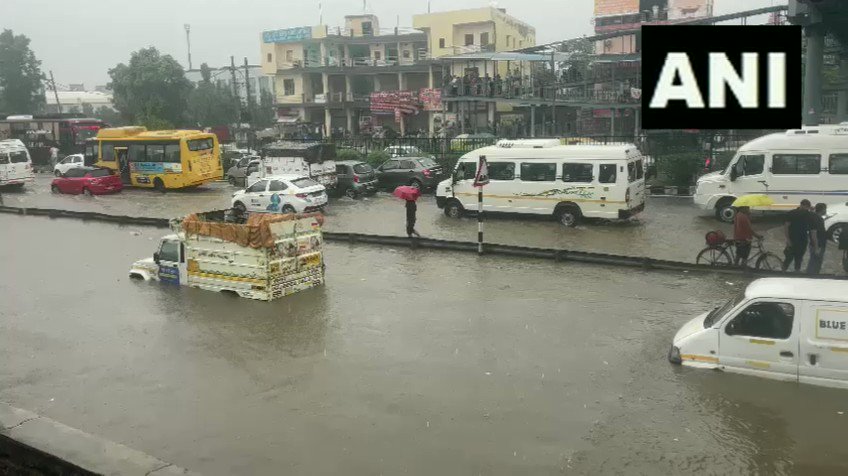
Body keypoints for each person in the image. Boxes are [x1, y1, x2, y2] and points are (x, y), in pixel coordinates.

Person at [782, 199, 817, 272]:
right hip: (795, 239)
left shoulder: (808, 215)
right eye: (805, 206)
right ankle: (786, 271)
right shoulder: (792, 213)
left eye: (807, 207)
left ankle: (793, 271)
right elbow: (786, 226)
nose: (806, 208)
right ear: (802, 205)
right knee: (790, 257)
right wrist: (788, 240)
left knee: (798, 258)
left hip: (801, 239)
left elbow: (812, 230)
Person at [807, 203, 828, 274]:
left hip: (818, 244)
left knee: (815, 261)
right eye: (825, 209)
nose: (826, 210)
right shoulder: (817, 219)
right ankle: (812, 276)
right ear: (822, 210)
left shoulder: (815, 216)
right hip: (817, 244)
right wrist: (816, 247)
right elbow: (813, 233)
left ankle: (812, 275)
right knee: (815, 262)